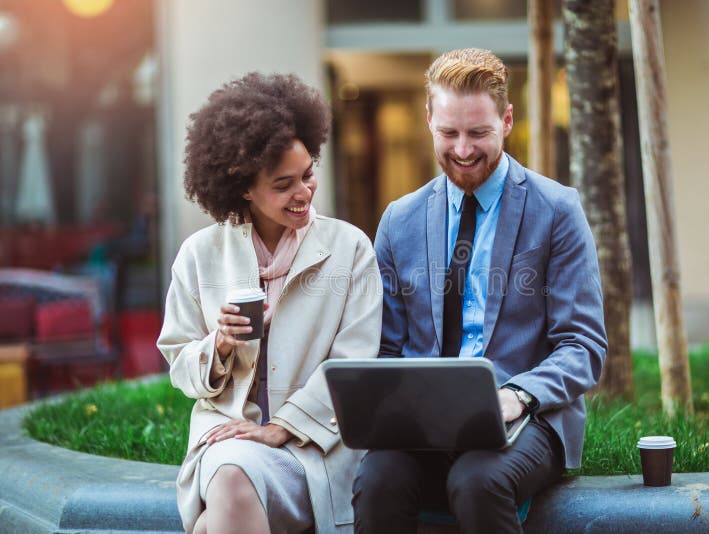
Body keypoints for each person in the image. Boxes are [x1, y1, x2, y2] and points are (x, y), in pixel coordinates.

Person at [352, 48, 607, 533]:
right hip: (421, 424)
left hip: (528, 419)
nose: (463, 150)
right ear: (428, 120)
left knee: (477, 480)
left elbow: (583, 346)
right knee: (377, 478)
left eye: (479, 133)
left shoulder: (557, 211)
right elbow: (386, 346)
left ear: (507, 120)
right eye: (448, 133)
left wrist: (518, 395)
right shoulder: (398, 221)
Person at [157, 72, 381, 534]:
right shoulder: (200, 255)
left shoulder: (350, 248)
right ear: (242, 187)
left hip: (315, 447)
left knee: (214, 517)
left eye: (308, 174)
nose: (303, 193)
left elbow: (355, 364)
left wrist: (283, 427)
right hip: (227, 439)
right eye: (284, 185)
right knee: (232, 471)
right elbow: (179, 361)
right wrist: (217, 345)